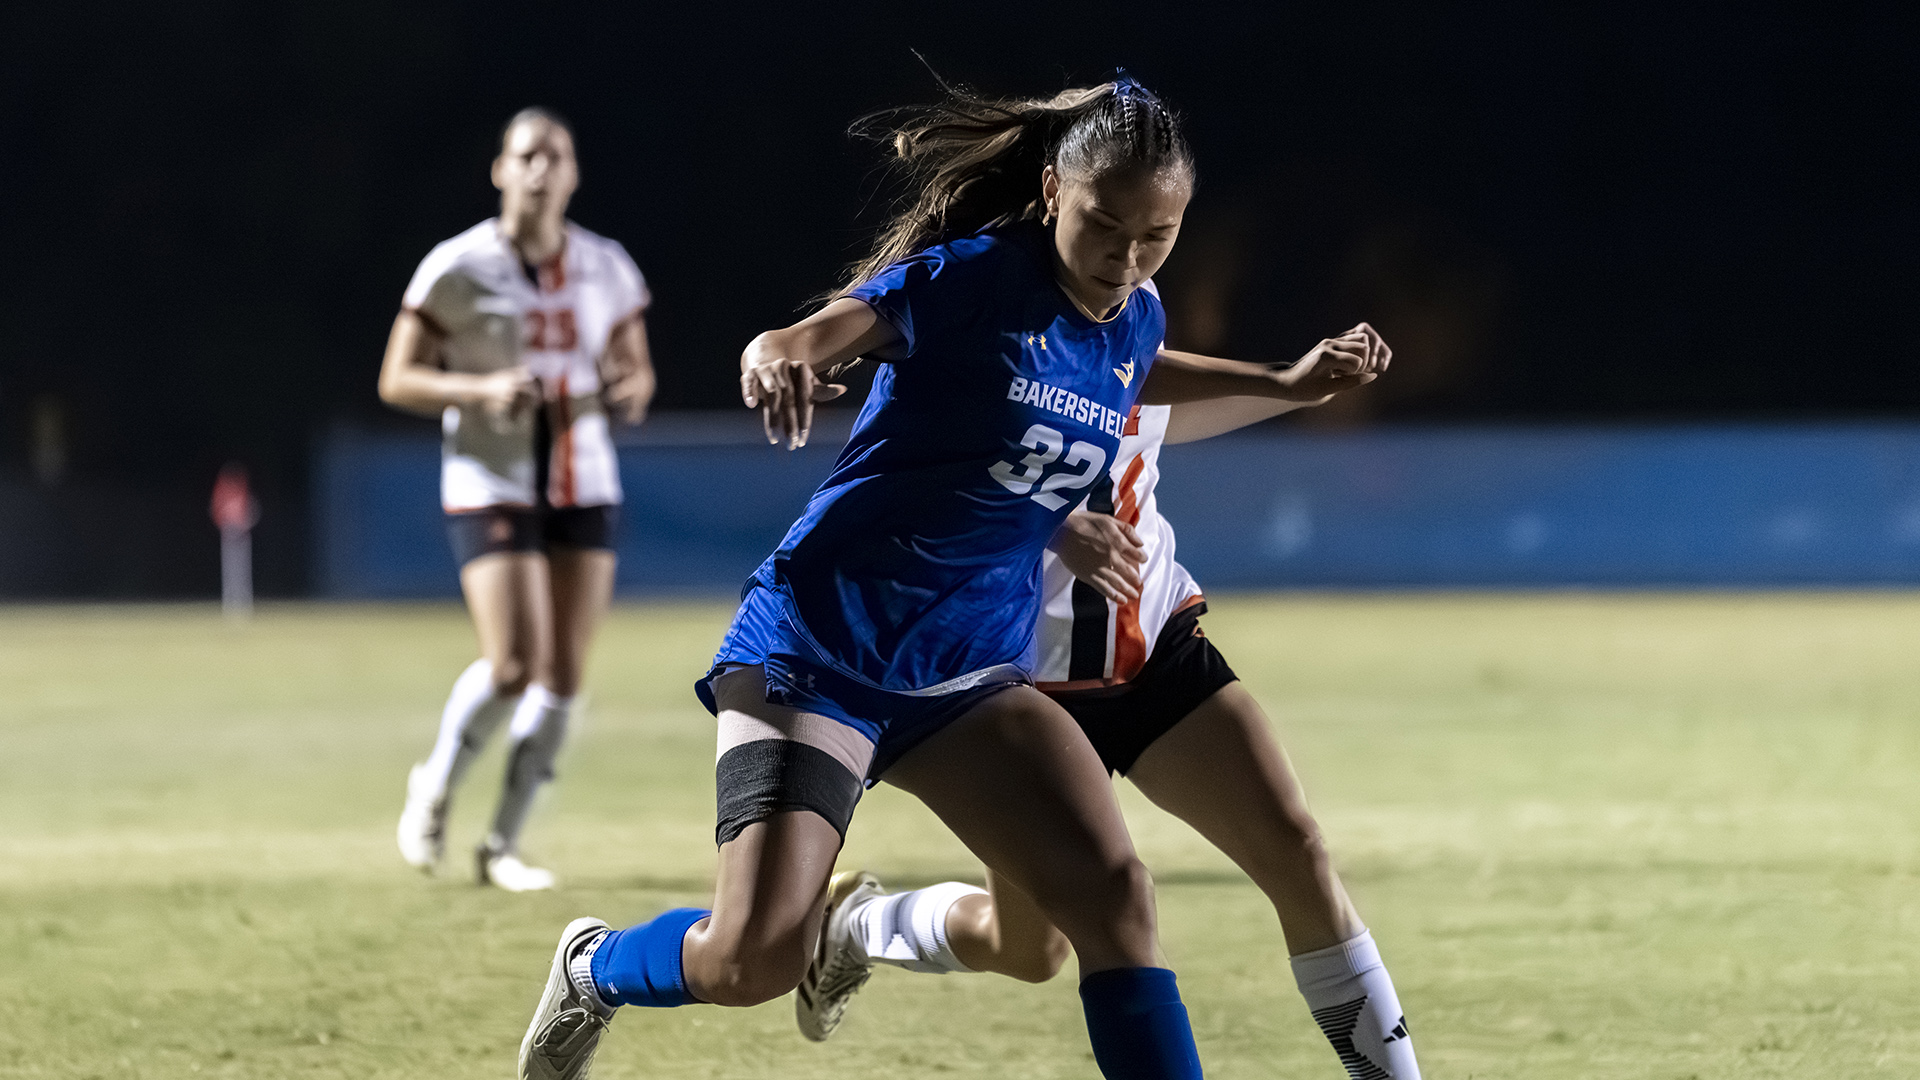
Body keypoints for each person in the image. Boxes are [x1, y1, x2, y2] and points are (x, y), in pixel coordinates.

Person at [515, 78, 1384, 1080]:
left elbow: (1131, 369)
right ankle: (596, 967)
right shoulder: (968, 281)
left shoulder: (1133, 313)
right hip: (824, 651)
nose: (1128, 259)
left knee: (1113, 904)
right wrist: (777, 353)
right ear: (1054, 190)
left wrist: (1279, 383)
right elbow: (818, 332)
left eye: (1160, 235)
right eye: (1106, 226)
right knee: (750, 959)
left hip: (970, 672)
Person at [793, 392, 1424, 1080]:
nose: (1132, 275)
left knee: (1296, 850)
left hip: (1153, 651)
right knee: (1029, 951)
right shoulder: (980, 315)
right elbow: (906, 477)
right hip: (1015, 684)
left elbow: (1159, 412)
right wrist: (1053, 530)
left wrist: (1293, 383)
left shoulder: (1130, 305)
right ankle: (856, 925)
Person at [378, 107, 656, 892]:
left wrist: (627, 390)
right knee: (512, 664)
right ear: (500, 169)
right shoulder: (458, 266)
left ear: (572, 174)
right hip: (490, 476)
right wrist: (479, 387)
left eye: (556, 156)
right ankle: (433, 784)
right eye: (526, 154)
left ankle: (502, 844)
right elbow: (397, 377)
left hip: (584, 474)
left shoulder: (607, 266)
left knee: (564, 674)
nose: (540, 168)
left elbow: (637, 371)